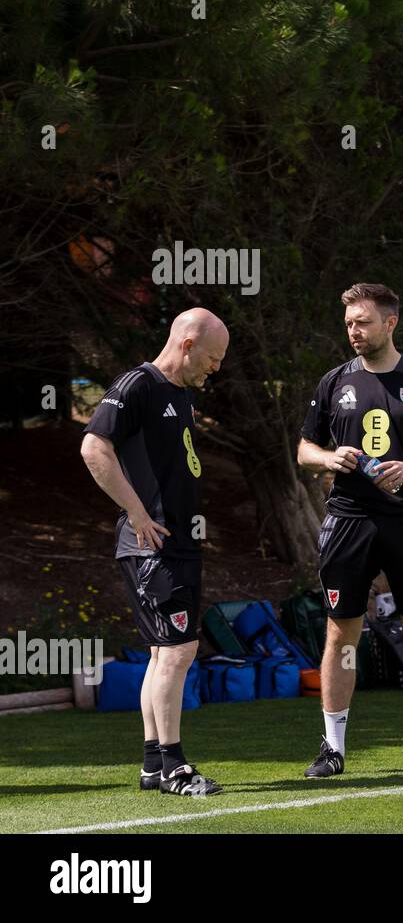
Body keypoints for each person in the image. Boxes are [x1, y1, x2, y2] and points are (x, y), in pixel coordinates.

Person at [298, 283, 403, 778]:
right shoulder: (334, 382)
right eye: (349, 322)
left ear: (390, 323)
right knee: (340, 634)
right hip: (348, 519)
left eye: (363, 322)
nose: (354, 331)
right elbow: (305, 449)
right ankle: (333, 749)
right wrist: (329, 457)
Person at [81, 308, 229, 796]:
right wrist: (138, 513)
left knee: (164, 653)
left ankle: (152, 764)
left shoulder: (180, 394)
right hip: (153, 548)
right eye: (212, 357)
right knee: (179, 650)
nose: (216, 367)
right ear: (187, 344)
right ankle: (174, 767)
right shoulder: (137, 386)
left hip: (178, 546)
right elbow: (93, 449)